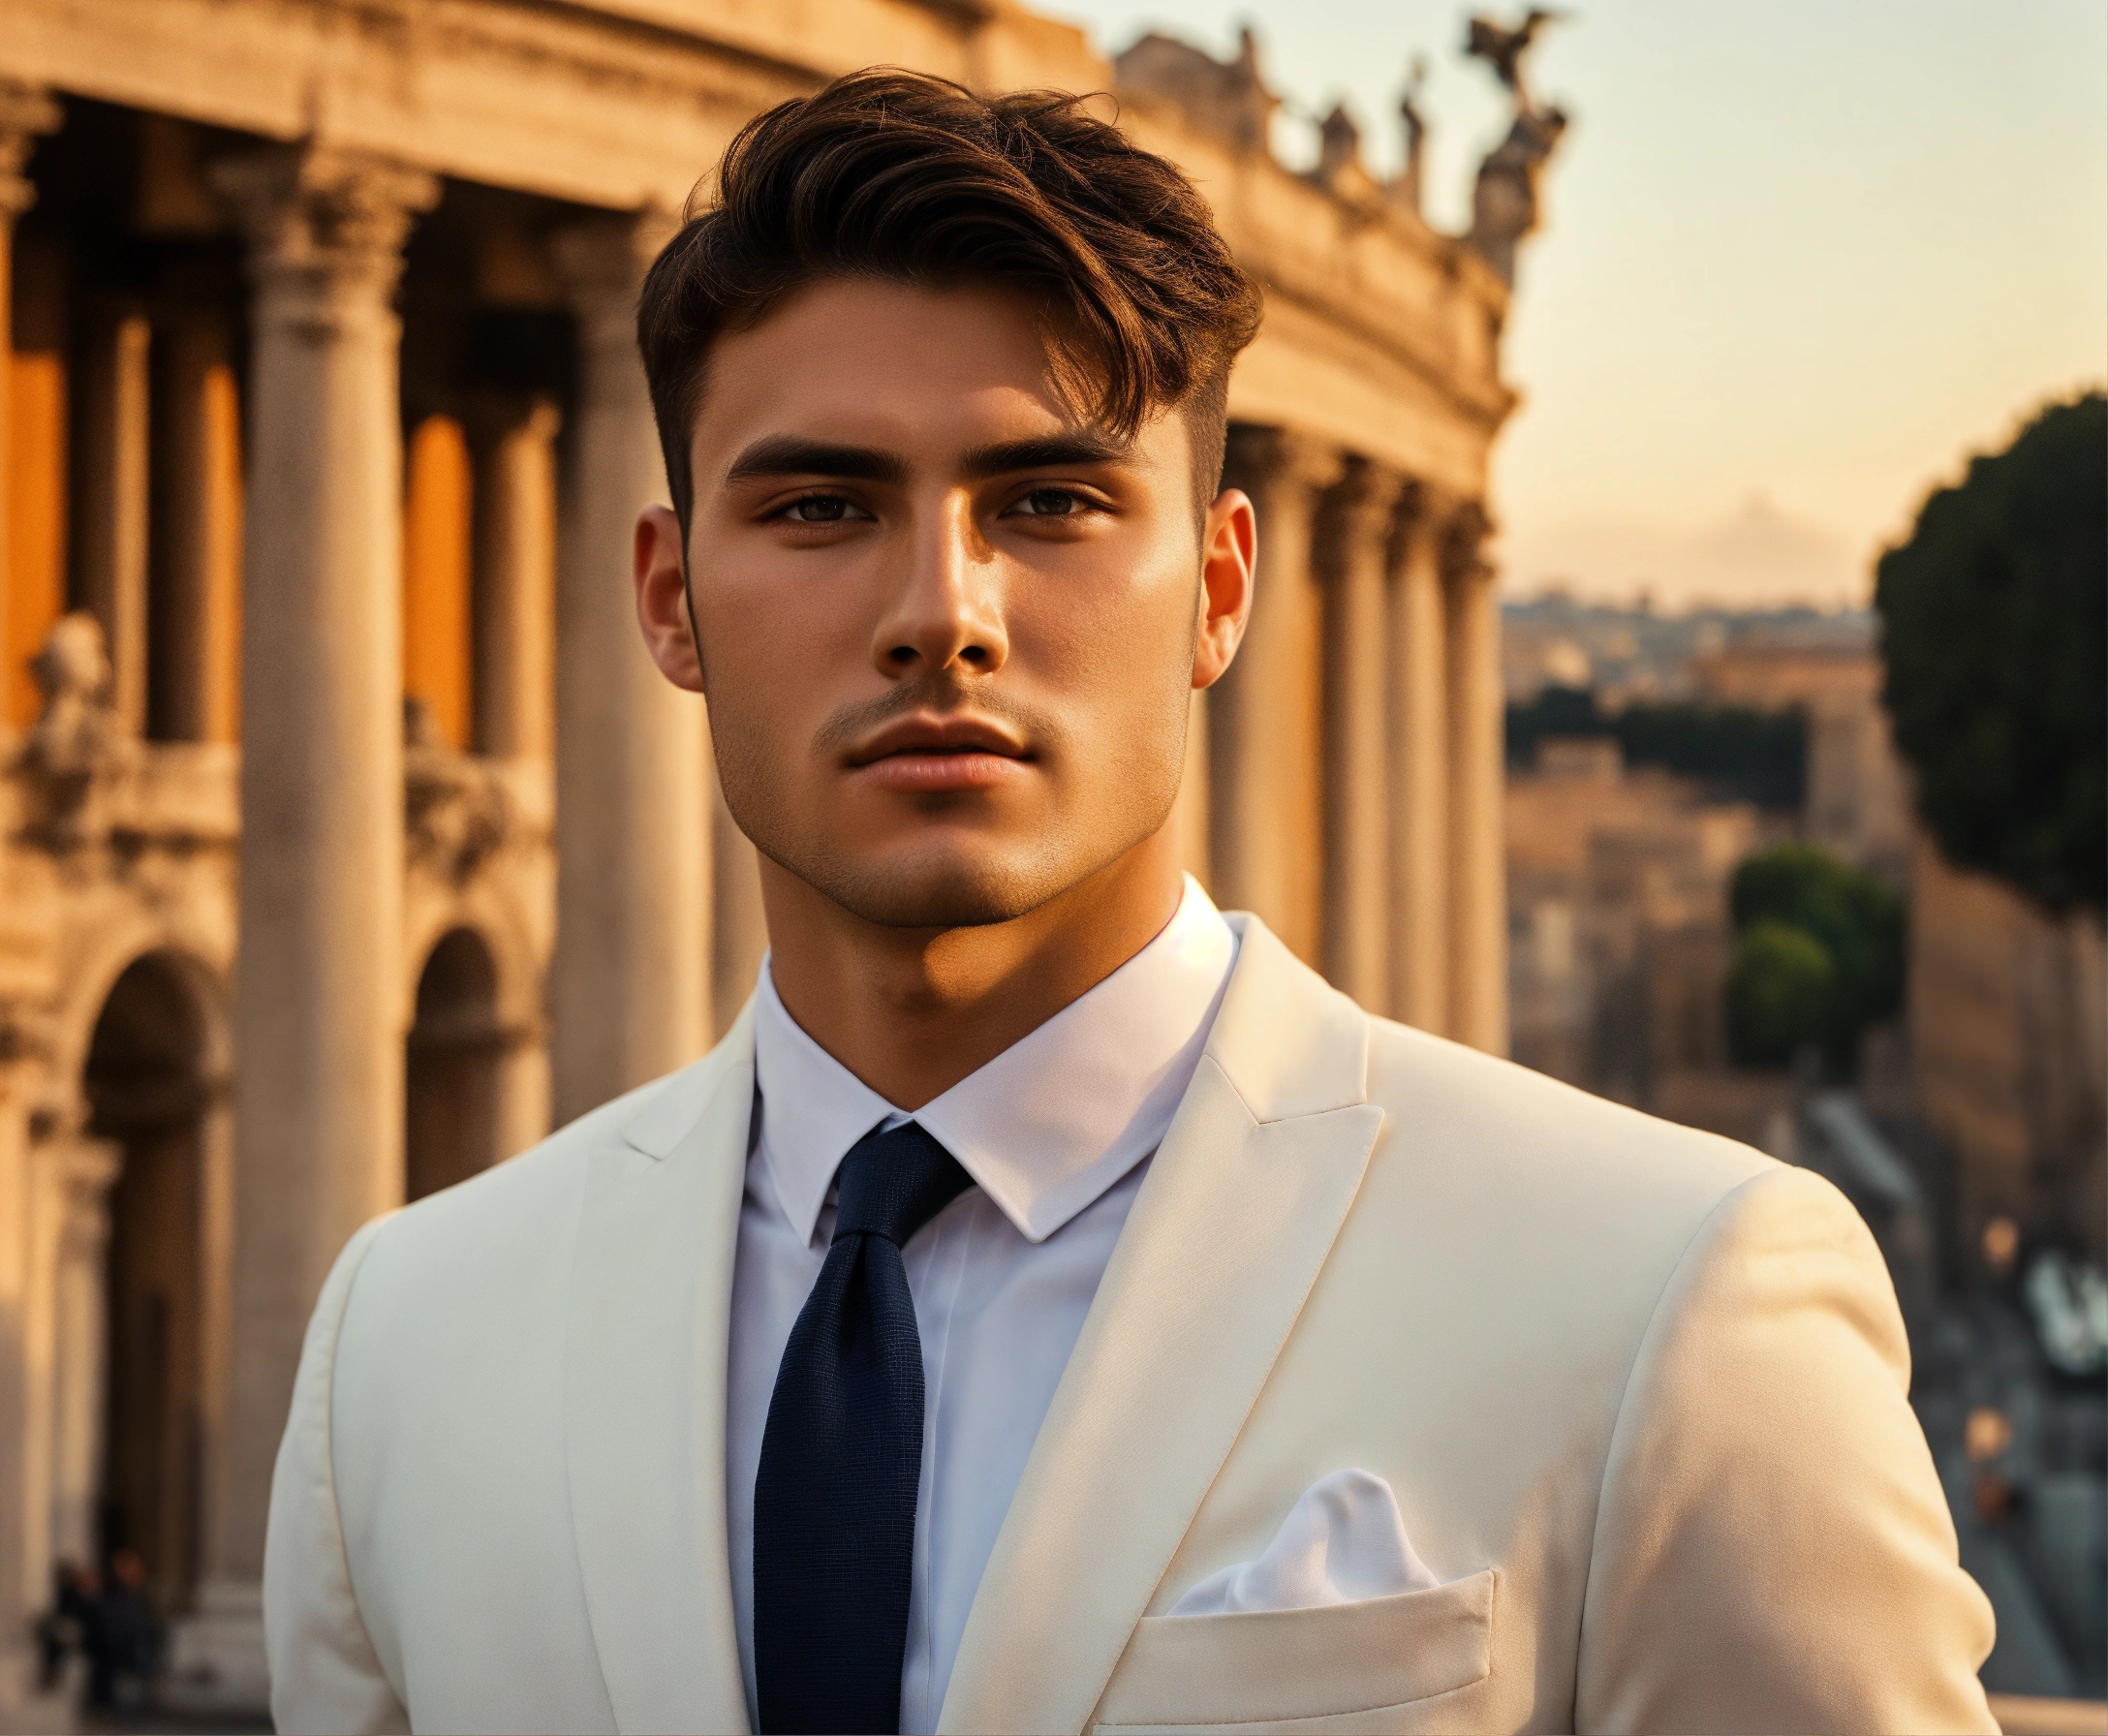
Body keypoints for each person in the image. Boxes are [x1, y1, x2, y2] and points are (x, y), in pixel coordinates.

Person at [264, 70, 1997, 1736]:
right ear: (668, 598)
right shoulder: (407, 1352)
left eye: (1048, 502)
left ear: (1221, 588)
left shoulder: (1668, 1305)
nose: (942, 612)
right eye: (819, 505)